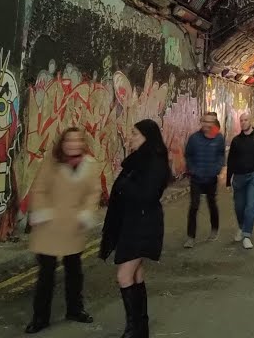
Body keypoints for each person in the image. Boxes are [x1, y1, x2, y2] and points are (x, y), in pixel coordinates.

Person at [25, 127, 101, 333]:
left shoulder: (90, 165)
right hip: (49, 225)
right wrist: (41, 212)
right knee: (46, 274)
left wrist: (86, 213)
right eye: (69, 140)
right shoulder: (52, 162)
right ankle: (40, 318)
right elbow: (39, 189)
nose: (73, 144)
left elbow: (94, 193)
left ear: (83, 143)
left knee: (74, 271)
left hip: (73, 225)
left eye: (77, 140)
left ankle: (75, 309)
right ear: (62, 143)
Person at [100, 120, 170, 338]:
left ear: (148, 138)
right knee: (136, 273)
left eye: (135, 134)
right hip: (133, 223)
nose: (131, 137)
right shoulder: (138, 161)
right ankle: (141, 328)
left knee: (124, 275)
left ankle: (133, 330)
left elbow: (147, 195)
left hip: (142, 225)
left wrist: (123, 186)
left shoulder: (154, 162)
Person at [226, 112, 254, 249]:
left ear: (251, 121)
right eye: (241, 120)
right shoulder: (236, 141)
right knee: (239, 206)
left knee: (251, 206)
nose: (243, 122)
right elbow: (231, 161)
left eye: (246, 120)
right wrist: (228, 181)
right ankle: (241, 227)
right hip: (239, 177)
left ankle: (246, 235)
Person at [183, 111, 225, 248]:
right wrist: (192, 169)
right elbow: (188, 155)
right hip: (196, 178)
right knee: (194, 206)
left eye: (210, 122)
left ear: (214, 123)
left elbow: (221, 155)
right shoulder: (194, 138)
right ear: (201, 122)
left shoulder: (218, 138)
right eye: (204, 121)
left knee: (212, 204)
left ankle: (214, 229)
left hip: (211, 178)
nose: (207, 124)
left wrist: (217, 169)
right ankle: (190, 237)